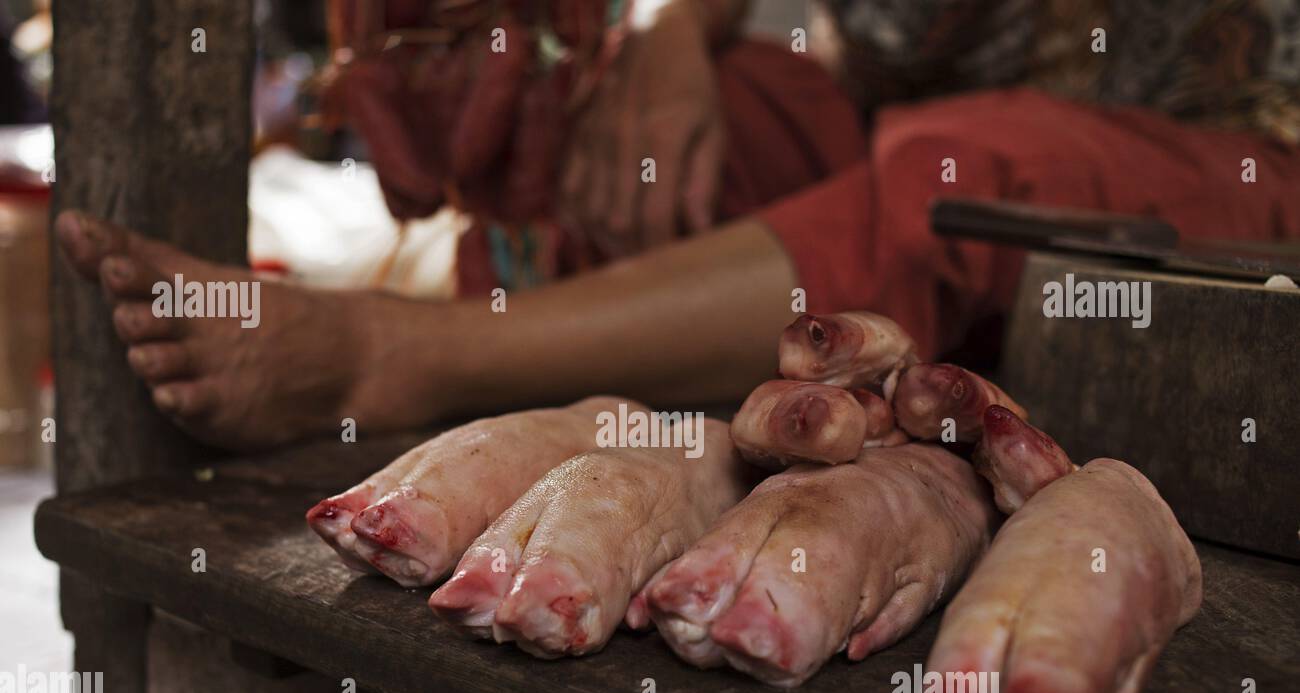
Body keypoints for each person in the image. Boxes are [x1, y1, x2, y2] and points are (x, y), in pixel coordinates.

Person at [56, 0, 1300, 450]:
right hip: (916, 143)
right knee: (701, 109)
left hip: (1251, 168)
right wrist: (671, 38)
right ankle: (574, 359)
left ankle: (395, 355)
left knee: (954, 167)